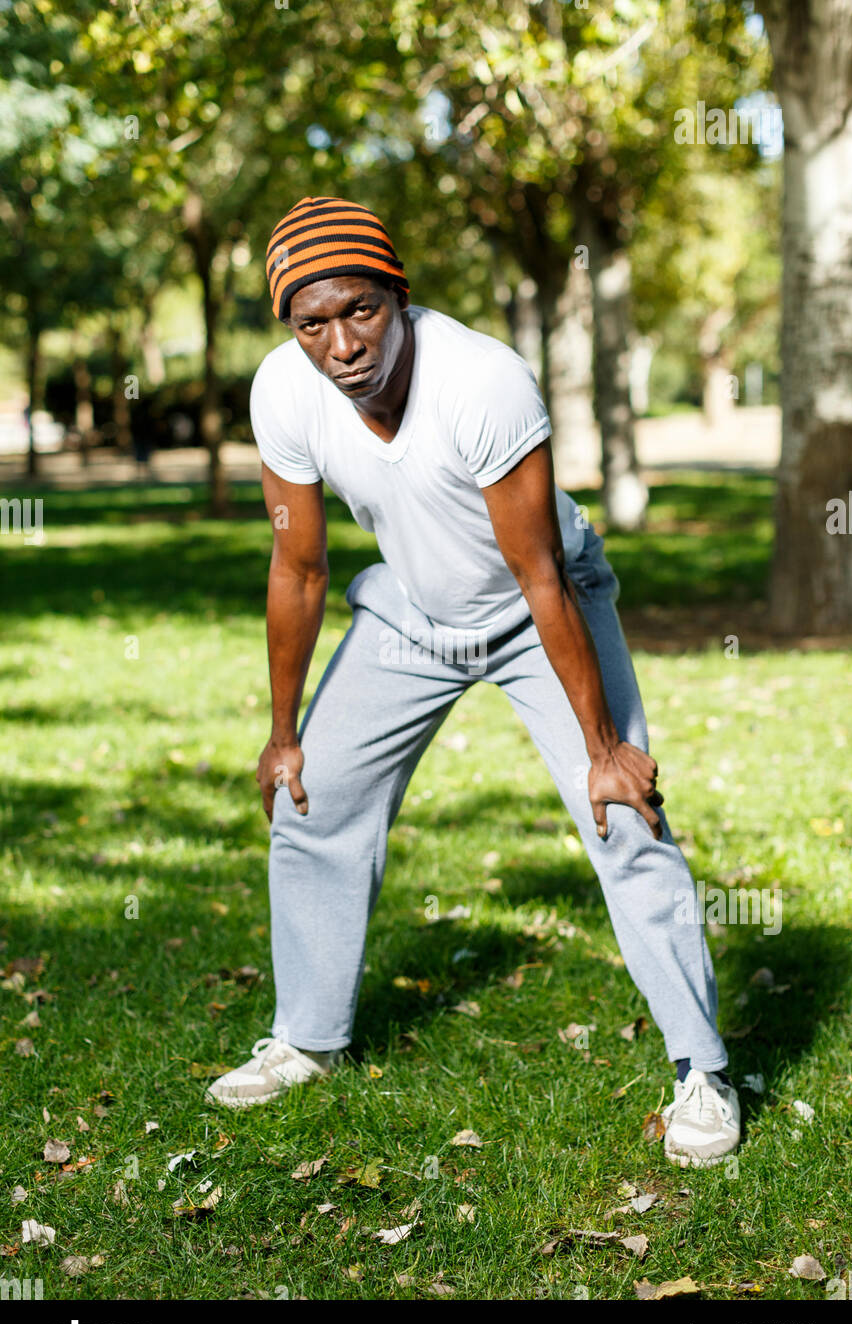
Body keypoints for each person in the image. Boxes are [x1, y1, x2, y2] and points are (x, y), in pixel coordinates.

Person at [207, 195, 740, 1168]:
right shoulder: (283, 394)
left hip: (540, 607)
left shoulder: (480, 380)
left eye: (359, 309)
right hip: (414, 611)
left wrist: (603, 750)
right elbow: (299, 568)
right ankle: (308, 1034)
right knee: (309, 793)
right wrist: (284, 732)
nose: (339, 342)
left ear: (397, 296)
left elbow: (538, 574)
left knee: (619, 811)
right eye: (310, 321)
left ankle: (702, 1071)